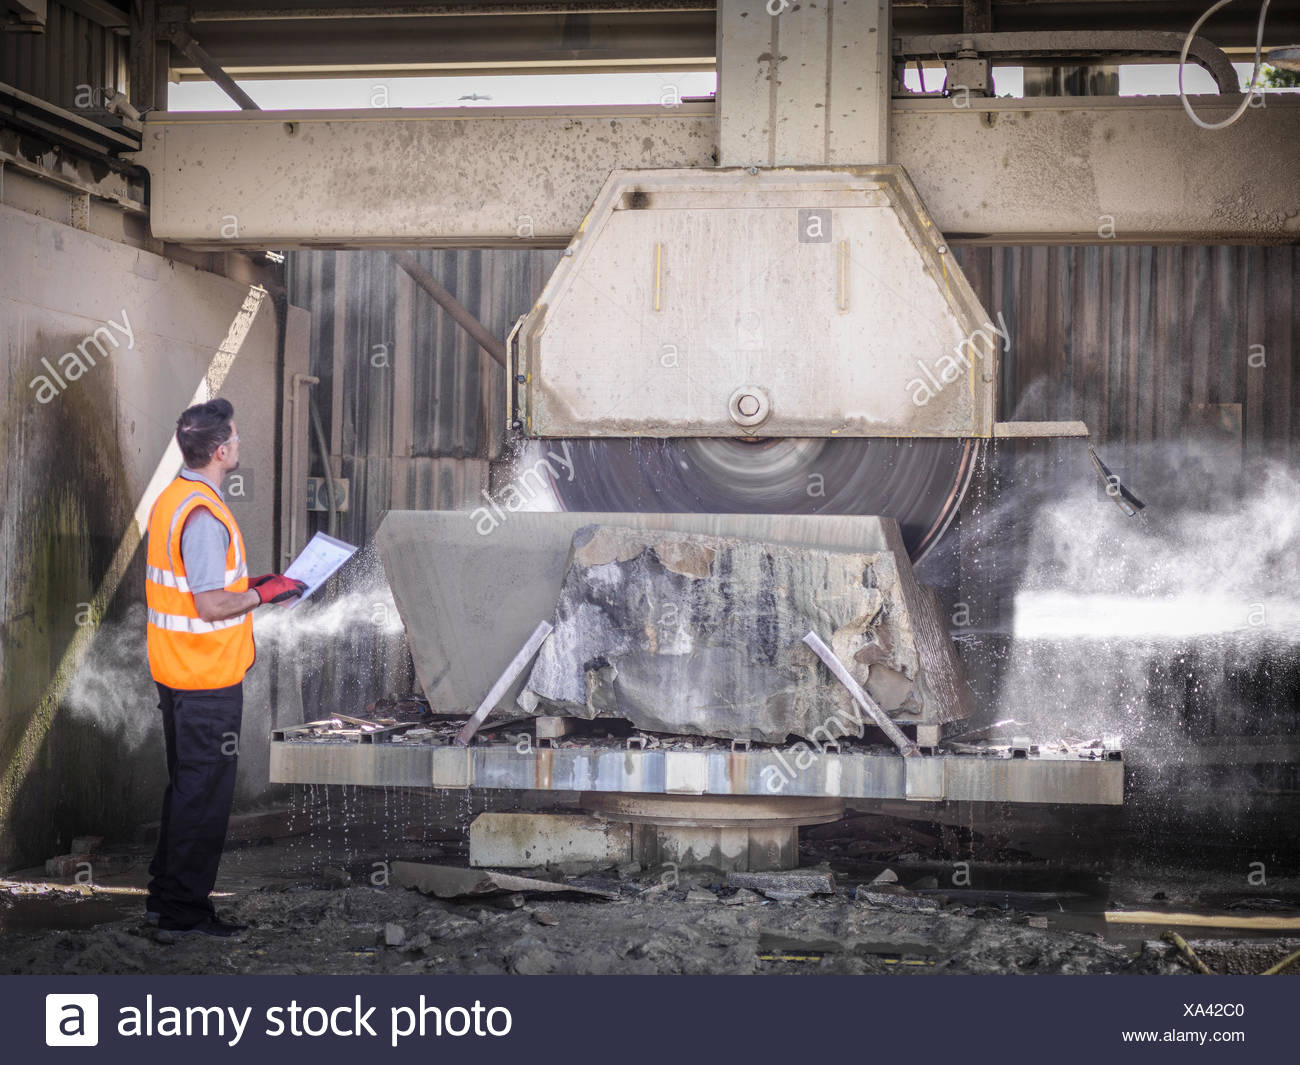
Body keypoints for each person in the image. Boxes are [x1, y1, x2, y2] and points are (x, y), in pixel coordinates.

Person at [143, 398, 305, 937]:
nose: (239, 443)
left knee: (187, 788)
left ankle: (164, 900)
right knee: (204, 797)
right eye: (234, 437)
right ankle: (184, 915)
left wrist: (251, 586)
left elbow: (200, 590)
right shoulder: (205, 515)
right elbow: (210, 607)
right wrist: (262, 597)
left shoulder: (176, 497)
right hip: (207, 679)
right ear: (217, 450)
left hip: (177, 673)